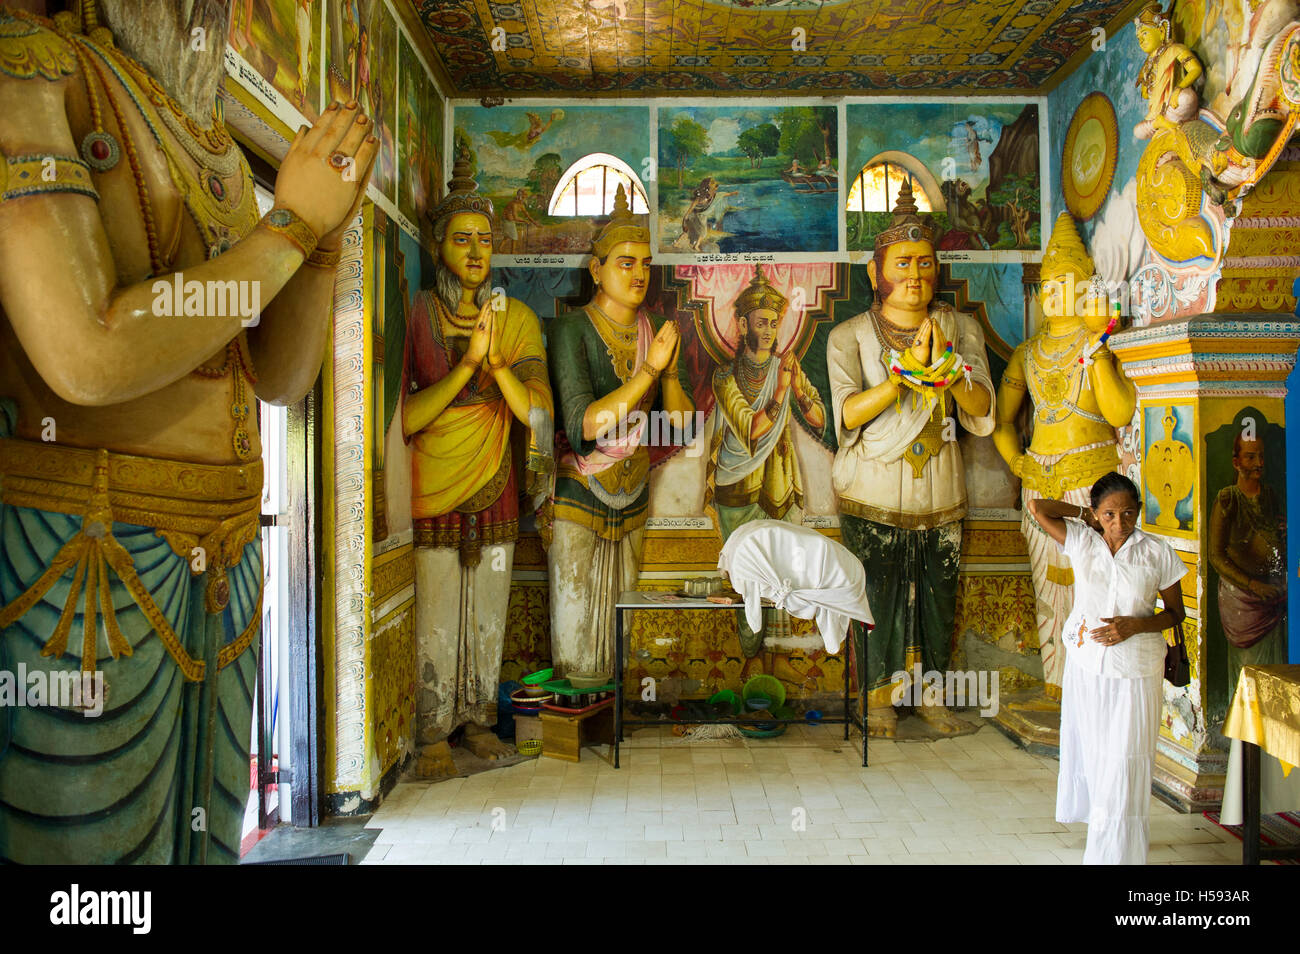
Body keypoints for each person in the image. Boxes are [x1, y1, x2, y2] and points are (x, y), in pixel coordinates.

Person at [0, 0, 374, 863]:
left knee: (201, 841)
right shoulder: (36, 70)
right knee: (90, 858)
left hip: (228, 561)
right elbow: (85, 353)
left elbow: (277, 379)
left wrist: (318, 244)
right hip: (84, 553)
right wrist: (290, 228)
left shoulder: (205, 140)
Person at [827, 178, 995, 738]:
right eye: (903, 262)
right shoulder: (848, 336)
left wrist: (950, 373)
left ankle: (931, 695)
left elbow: (982, 411)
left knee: (937, 595)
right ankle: (876, 700)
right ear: (876, 274)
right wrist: (901, 378)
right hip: (872, 488)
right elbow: (848, 414)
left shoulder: (960, 329)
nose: (916, 274)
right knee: (879, 594)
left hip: (942, 487)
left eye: (925, 262)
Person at [401, 156, 553, 776]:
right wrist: (467, 366)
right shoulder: (418, 315)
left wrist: (494, 365)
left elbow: (538, 415)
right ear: (437, 245)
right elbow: (406, 419)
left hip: (496, 481)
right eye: (461, 238)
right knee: (437, 611)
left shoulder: (516, 320)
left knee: (487, 608)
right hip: (431, 484)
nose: (475, 251)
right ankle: (434, 728)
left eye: (485, 240)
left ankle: (481, 722)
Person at [546, 184, 694, 677]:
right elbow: (583, 425)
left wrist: (668, 373)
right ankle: (571, 713)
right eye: (625, 263)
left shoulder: (656, 330)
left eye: (645, 264)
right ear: (597, 270)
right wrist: (649, 372)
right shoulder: (572, 330)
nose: (638, 274)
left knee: (619, 622)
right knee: (575, 621)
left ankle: (610, 715)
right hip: (580, 490)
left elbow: (681, 424)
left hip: (632, 495)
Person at [994, 213, 1135, 703]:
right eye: (1049, 286)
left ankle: (1093, 678)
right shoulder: (1027, 353)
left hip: (1091, 481)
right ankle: (1058, 683)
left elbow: (1120, 410)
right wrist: (1016, 462)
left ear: (1086, 289)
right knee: (1047, 589)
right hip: (1039, 481)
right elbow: (1001, 420)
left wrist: (1097, 350)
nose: (1056, 295)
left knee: (1092, 581)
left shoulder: (1097, 346)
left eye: (1067, 285)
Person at [1028, 473, 1187, 865]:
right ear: (1097, 513)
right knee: (1096, 752)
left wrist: (1135, 624)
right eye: (1110, 514)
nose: (1120, 523)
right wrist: (1085, 514)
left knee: (1126, 759)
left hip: (1136, 671)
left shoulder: (1156, 552)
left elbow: (1176, 613)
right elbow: (1037, 507)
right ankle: (1103, 829)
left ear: (1139, 512)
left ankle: (1115, 851)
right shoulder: (1081, 540)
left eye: (1128, 513)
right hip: (1086, 666)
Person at [708, 266, 825, 677]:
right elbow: (753, 430)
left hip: (779, 483)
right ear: (743, 324)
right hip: (736, 487)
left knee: (782, 573)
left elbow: (819, 417)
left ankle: (777, 659)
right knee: (746, 579)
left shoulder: (786, 367)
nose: (771, 330)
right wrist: (780, 390)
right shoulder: (725, 376)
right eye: (762, 322)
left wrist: (796, 391)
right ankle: (750, 658)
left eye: (775, 322)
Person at [1208, 434, 1287, 698]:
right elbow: (1216, 556)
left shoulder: (1271, 496)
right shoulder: (1228, 500)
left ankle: (1269, 735)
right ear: (1236, 461)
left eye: (1261, 456)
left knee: (1273, 673)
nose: (1259, 463)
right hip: (1243, 605)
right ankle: (1245, 738)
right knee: (1249, 676)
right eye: (1251, 456)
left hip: (1271, 599)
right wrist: (1253, 586)